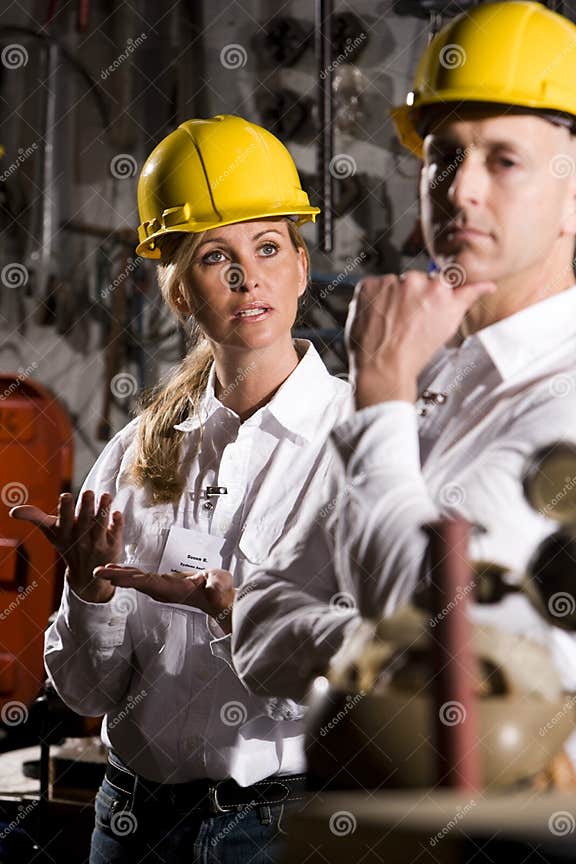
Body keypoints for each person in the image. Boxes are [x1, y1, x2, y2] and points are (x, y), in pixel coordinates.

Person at [231, 0, 576, 781]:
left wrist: (380, 389)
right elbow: (256, 620)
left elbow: (449, 636)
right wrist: (370, 648)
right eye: (445, 156)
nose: (461, 191)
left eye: (504, 160)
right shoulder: (427, 379)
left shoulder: (559, 396)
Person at [10, 115, 355, 863]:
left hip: (273, 827)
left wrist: (242, 617)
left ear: (301, 265)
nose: (247, 277)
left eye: (268, 248)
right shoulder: (136, 454)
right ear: (178, 293)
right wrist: (89, 594)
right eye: (213, 256)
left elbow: (372, 694)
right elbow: (89, 695)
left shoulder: (362, 448)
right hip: (130, 820)